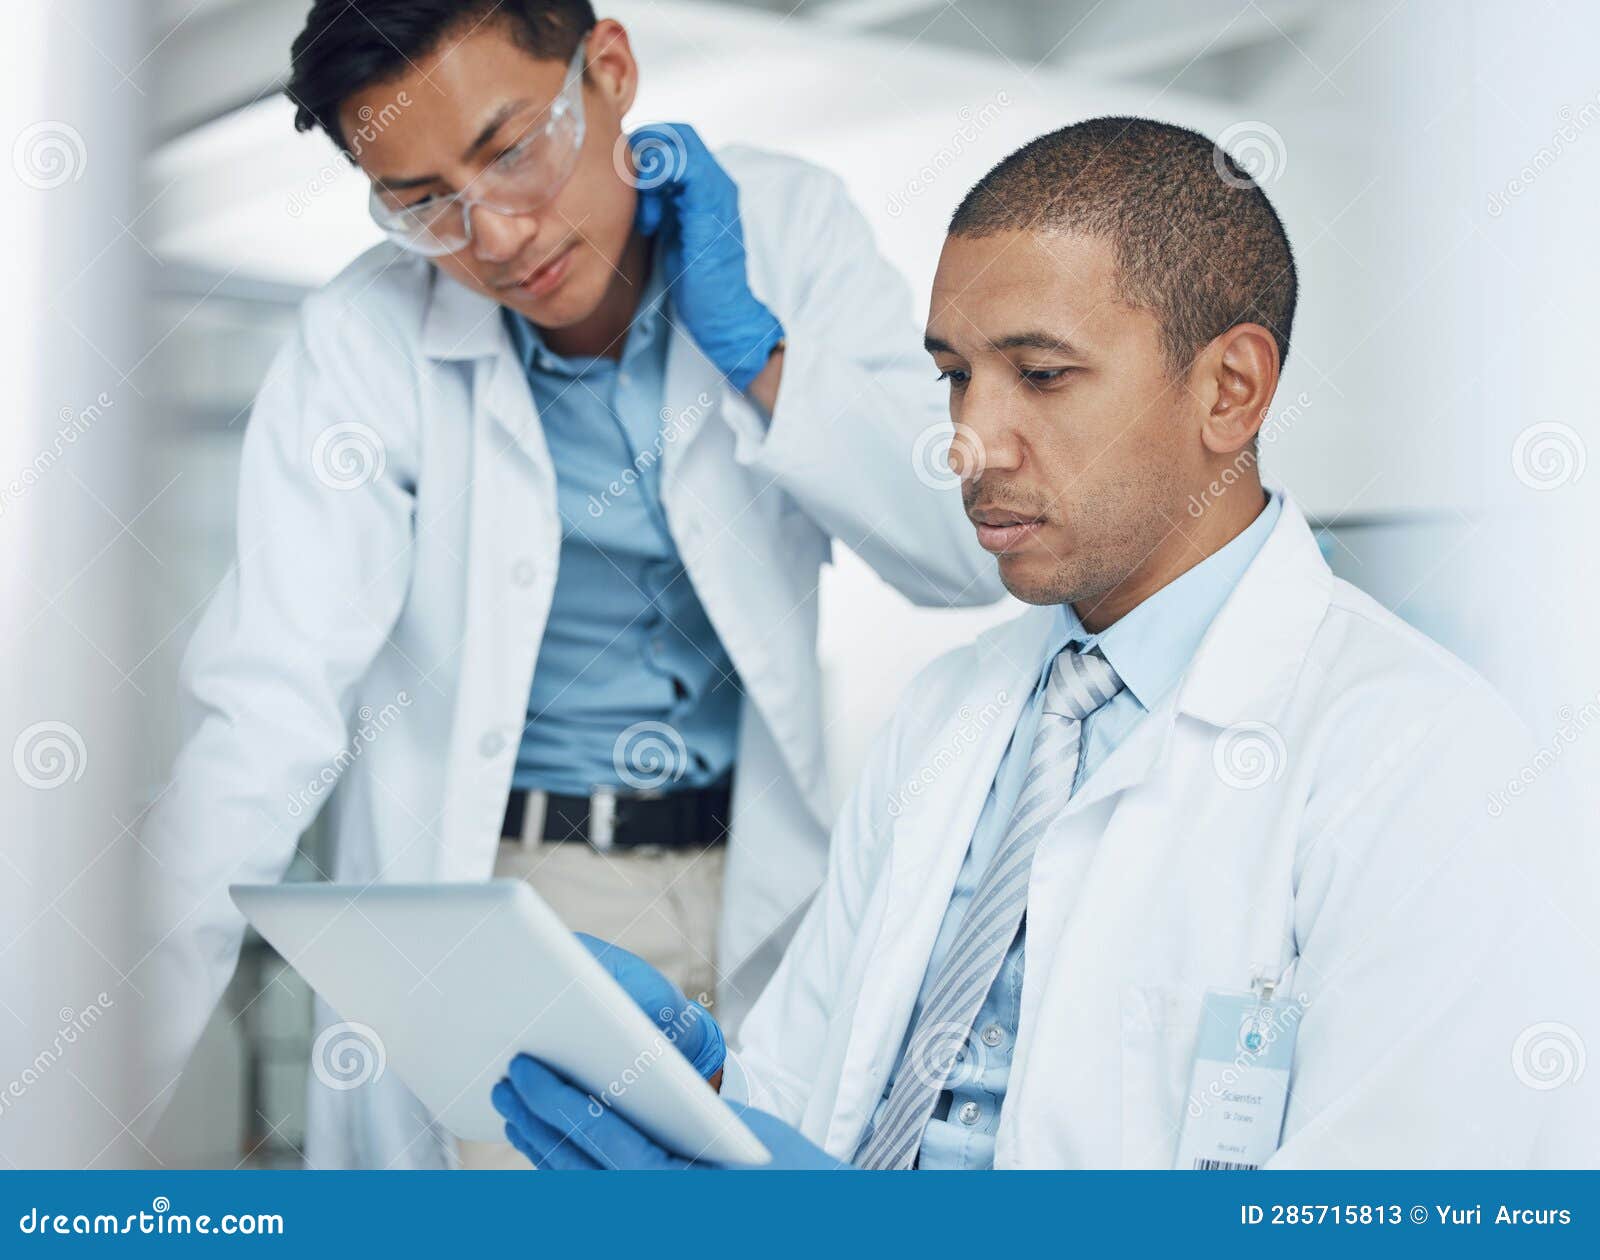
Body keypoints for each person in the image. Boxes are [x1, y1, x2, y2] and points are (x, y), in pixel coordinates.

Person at [494, 116, 1595, 1169]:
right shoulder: (944, 713)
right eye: (954, 376)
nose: (967, 442)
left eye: (1042, 374)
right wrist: (700, 1102)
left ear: (1231, 390)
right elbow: (806, 1107)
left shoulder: (1424, 765)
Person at [135, 1, 998, 1170]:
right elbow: (263, 716)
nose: (492, 236)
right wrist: (70, 1086)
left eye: (510, 151)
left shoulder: (790, 230)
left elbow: (961, 549)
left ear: (608, 69)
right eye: (423, 202)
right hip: (516, 911)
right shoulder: (362, 339)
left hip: (758, 890)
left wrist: (760, 356)